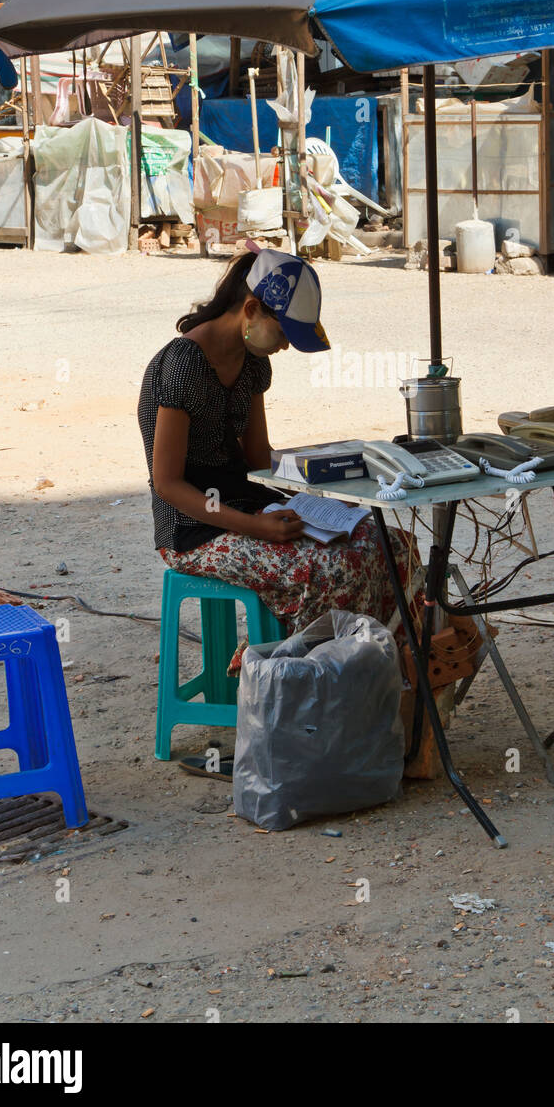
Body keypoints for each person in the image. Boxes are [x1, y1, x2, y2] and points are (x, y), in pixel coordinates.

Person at [137, 247, 424, 773]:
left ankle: (371, 694)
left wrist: (326, 483)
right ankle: (292, 712)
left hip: (253, 508)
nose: (287, 344)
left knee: (391, 545)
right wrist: (258, 527)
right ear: (250, 310)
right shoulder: (180, 367)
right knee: (326, 567)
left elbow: (257, 459)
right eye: (284, 330)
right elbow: (169, 484)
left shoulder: (251, 365)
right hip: (193, 530)